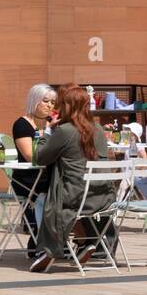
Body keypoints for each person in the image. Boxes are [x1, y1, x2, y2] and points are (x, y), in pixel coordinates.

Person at [30, 83, 118, 274]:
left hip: (76, 198)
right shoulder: (98, 130)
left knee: (46, 200)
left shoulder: (65, 131)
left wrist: (48, 130)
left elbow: (39, 158)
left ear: (66, 106)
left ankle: (48, 250)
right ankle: (85, 242)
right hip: (103, 197)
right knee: (64, 199)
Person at [11, 84, 56, 259]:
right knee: (52, 195)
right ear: (34, 101)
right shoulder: (22, 124)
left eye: (53, 102)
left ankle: (55, 240)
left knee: (71, 191)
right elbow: (31, 156)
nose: (50, 105)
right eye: (45, 101)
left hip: (48, 176)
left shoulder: (52, 124)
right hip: (28, 179)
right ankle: (42, 241)